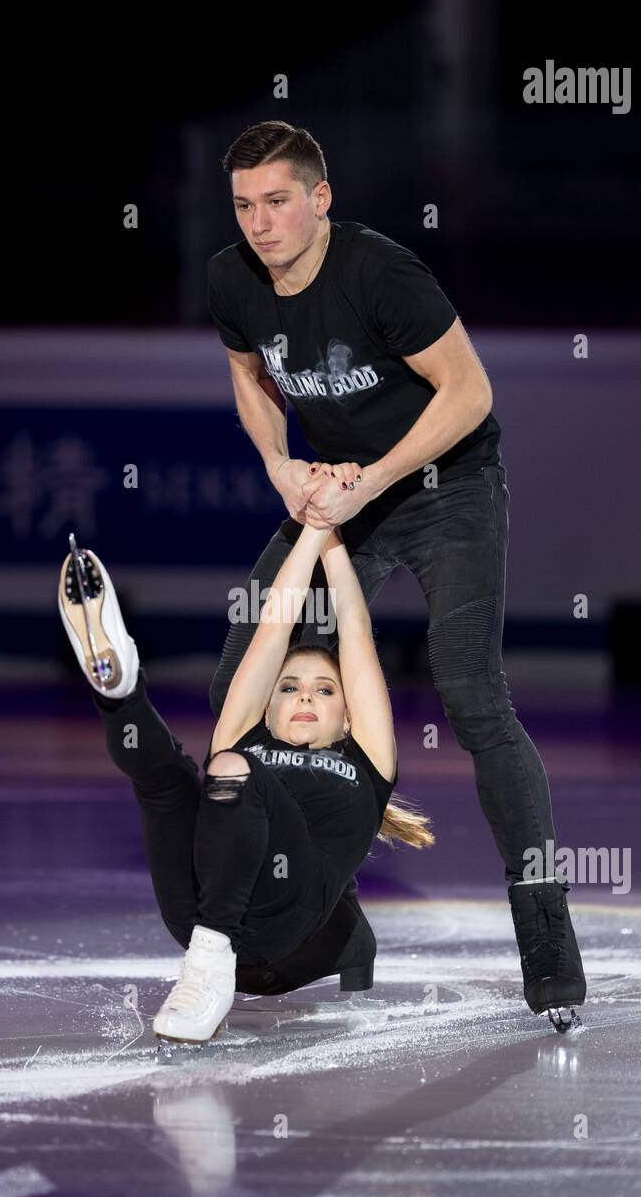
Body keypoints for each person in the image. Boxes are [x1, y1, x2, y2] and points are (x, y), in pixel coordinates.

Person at [206, 119, 586, 1030]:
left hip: (447, 488)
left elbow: (470, 391)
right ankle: (325, 922)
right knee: (242, 685)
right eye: (245, 206)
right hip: (345, 495)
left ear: (321, 198)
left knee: (471, 695)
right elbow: (250, 376)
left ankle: (547, 945)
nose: (261, 224)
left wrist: (373, 478)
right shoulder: (232, 278)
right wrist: (280, 467)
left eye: (279, 202)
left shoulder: (381, 272)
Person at [57, 521, 433, 1045]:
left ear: (348, 716)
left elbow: (353, 627)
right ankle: (120, 691)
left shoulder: (366, 759)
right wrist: (310, 530)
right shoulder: (245, 737)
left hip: (282, 917)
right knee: (169, 781)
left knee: (233, 769)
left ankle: (208, 968)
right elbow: (274, 625)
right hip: (195, 905)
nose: (304, 697)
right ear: (269, 704)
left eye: (324, 690)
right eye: (289, 687)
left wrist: (328, 531)